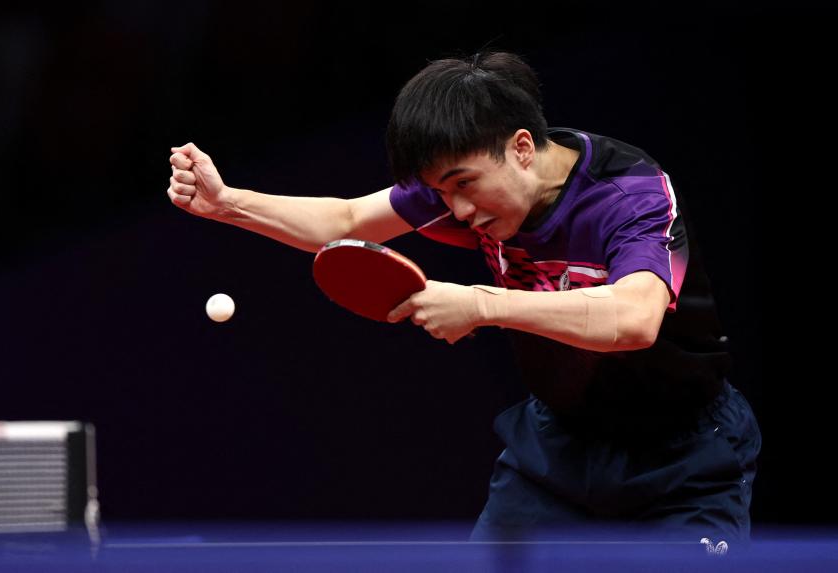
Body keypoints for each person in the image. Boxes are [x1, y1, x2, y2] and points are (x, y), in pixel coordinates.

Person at [167, 51, 761, 542]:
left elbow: (634, 319)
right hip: (556, 448)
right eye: (440, 193)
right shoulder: (459, 181)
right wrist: (228, 204)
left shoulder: (628, 194)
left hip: (682, 457)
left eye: (464, 186)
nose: (459, 211)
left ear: (522, 147)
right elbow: (346, 220)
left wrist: (480, 304)